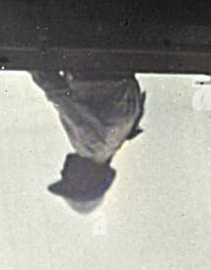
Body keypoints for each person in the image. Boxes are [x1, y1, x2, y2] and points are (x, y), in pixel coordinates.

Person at [31, 70, 146, 213]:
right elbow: (57, 92)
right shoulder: (91, 146)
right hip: (91, 62)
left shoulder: (112, 143)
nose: (62, 172)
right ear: (88, 181)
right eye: (70, 181)